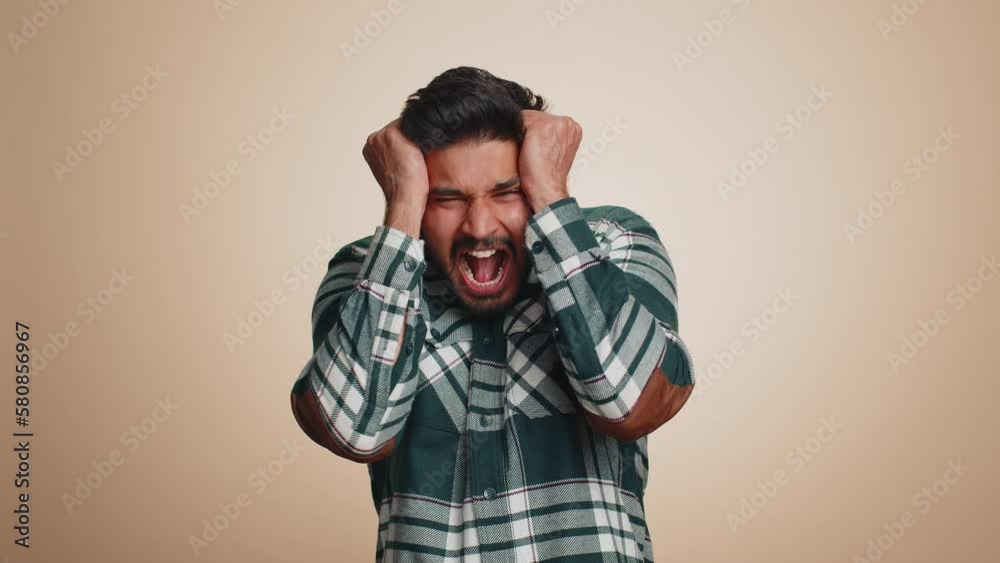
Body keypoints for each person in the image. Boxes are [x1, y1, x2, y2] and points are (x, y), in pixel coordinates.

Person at [290, 66, 695, 562]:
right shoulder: (367, 273)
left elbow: (627, 402)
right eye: (447, 198)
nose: (480, 226)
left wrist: (549, 194)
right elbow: (351, 426)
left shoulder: (612, 244)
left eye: (506, 193)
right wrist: (400, 207)